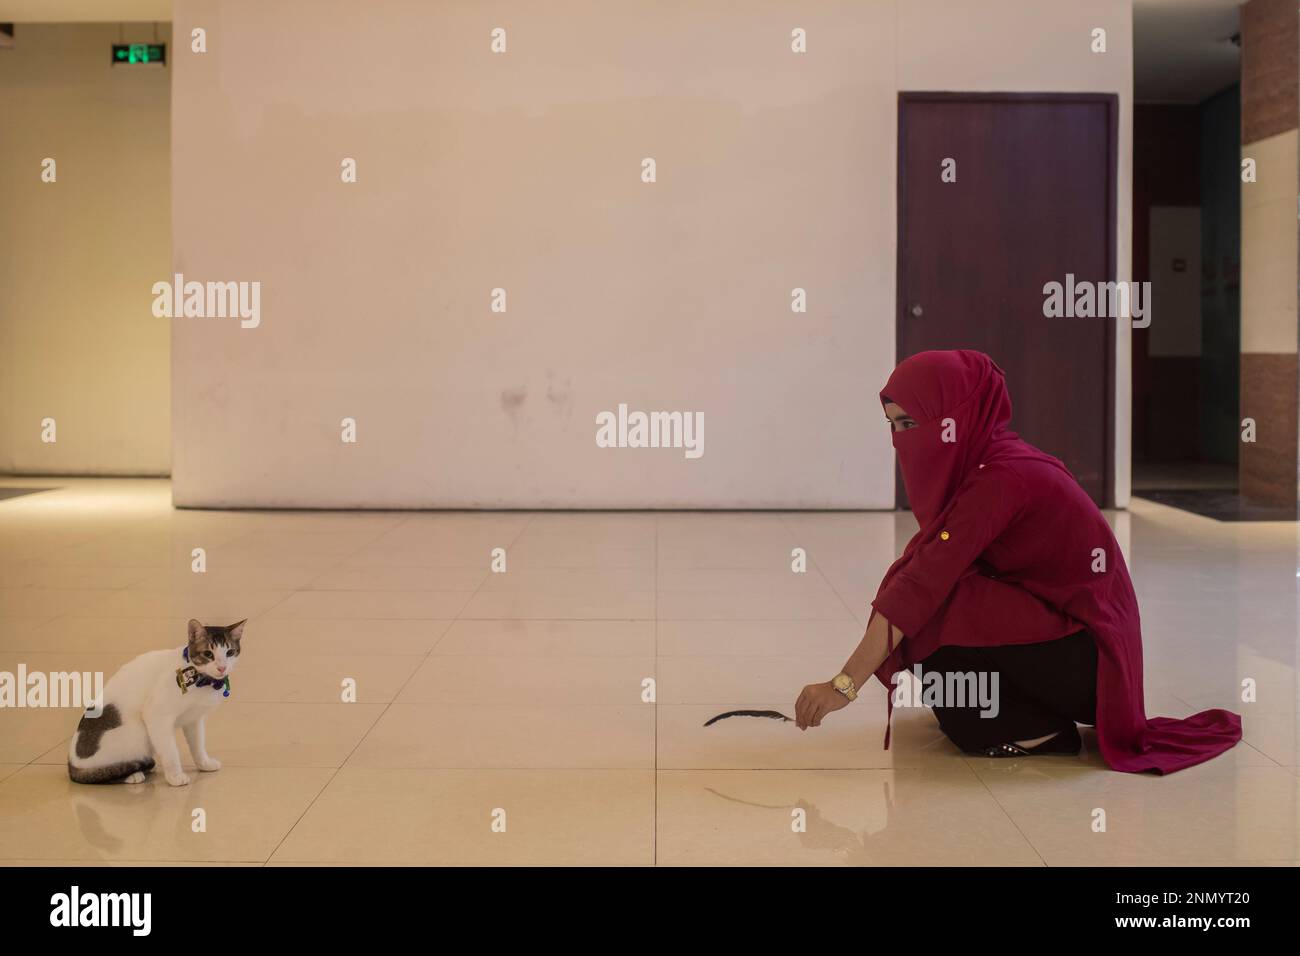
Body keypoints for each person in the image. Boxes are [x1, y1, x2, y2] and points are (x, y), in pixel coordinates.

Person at [794, 349, 1241, 773]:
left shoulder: (1003, 478)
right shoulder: (983, 463)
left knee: (937, 606)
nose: (903, 440)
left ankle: (1043, 732)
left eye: (913, 422)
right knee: (943, 661)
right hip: (1066, 639)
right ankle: (1017, 715)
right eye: (894, 425)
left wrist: (843, 685)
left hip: (1093, 664)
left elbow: (922, 582)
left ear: (957, 416)